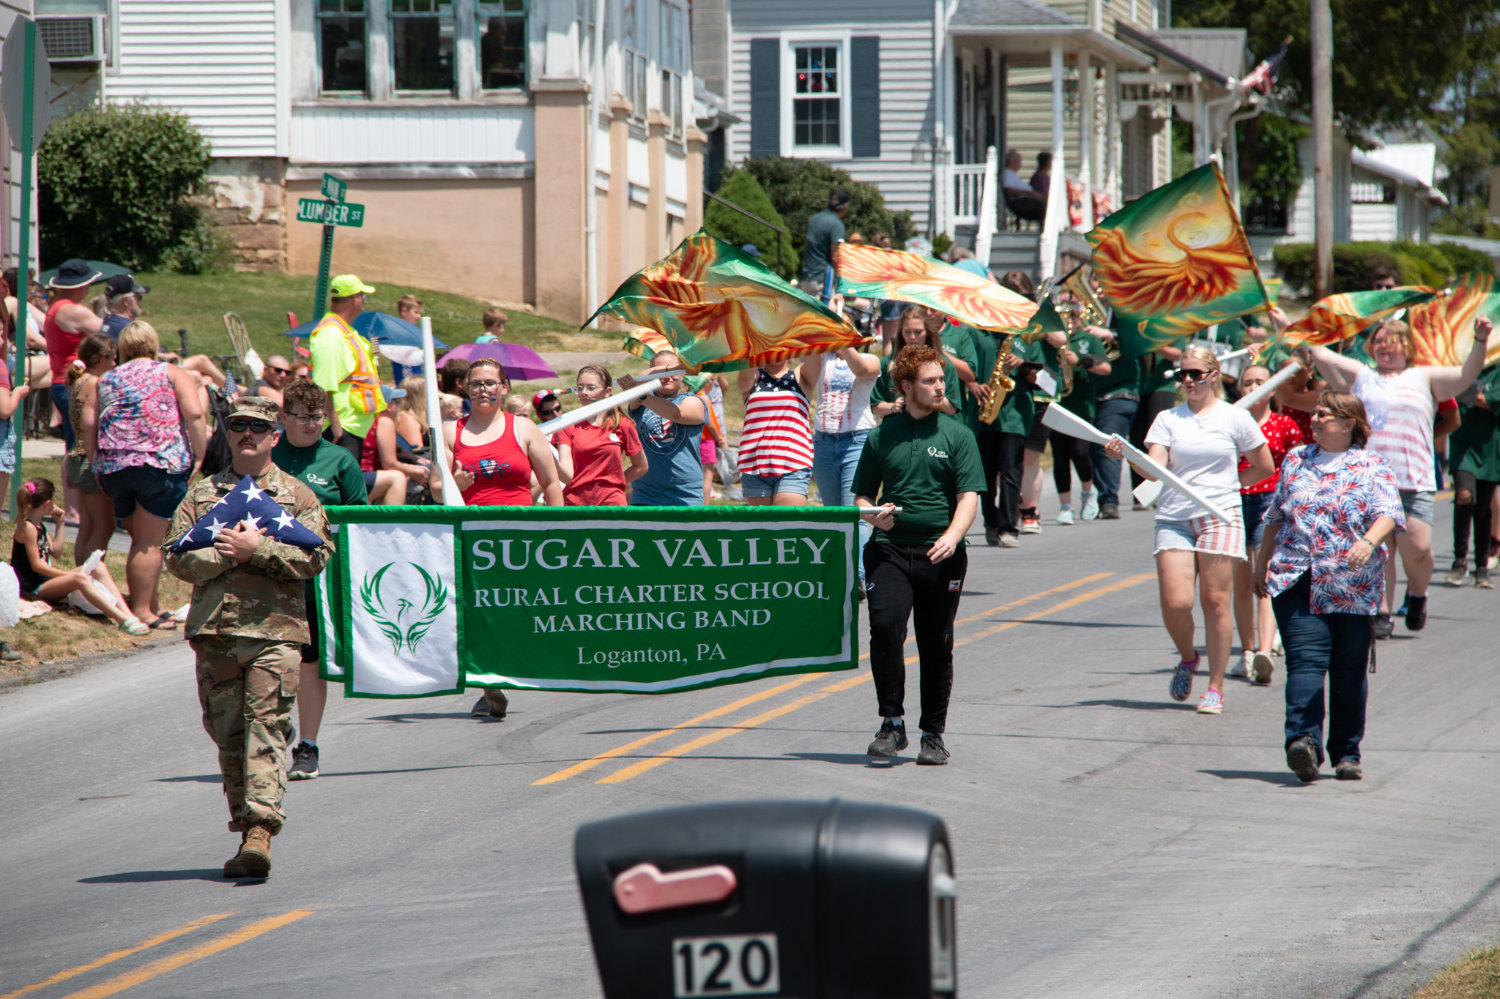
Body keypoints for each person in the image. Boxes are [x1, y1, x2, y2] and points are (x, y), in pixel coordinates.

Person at [165, 396, 332, 878]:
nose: (247, 434)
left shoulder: (297, 496)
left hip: (275, 634)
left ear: (274, 436)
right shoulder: (202, 496)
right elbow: (175, 556)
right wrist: (224, 555)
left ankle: (260, 830)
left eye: (258, 427)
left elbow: (318, 557)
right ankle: (245, 827)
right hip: (216, 632)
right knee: (229, 735)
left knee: (266, 727)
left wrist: (259, 550)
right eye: (237, 425)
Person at [1106, 344, 1273, 715]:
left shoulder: (1234, 417)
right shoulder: (1168, 419)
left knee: (1215, 601)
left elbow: (1264, 466)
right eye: (1182, 374)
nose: (1187, 381)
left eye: (1194, 374)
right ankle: (1187, 657)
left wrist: (1230, 485)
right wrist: (1126, 456)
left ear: (1213, 375)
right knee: (1176, 601)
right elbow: (1155, 470)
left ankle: (1214, 687)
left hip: (1220, 514)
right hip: (1174, 516)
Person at [1301, 315, 1491, 637]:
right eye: (1379, 343)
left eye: (1392, 344)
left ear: (1407, 347)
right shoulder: (1363, 375)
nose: (1385, 349)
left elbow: (1465, 374)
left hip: (1412, 479)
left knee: (1417, 549)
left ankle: (1417, 594)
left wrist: (1481, 340)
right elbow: (1319, 353)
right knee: (1378, 548)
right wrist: (1290, 328)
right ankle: (1381, 613)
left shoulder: (1424, 376)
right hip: (1369, 481)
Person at [1253, 391, 1403, 782]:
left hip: (1352, 584)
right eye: (1315, 413)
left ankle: (1346, 753)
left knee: (1349, 669)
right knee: (1305, 660)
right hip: (1298, 576)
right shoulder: (1296, 460)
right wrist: (1260, 562)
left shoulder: (1372, 466)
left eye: (1324, 414)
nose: (1315, 419)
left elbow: (1389, 514)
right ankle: (1302, 741)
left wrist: (1368, 542)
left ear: (1349, 422)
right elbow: (1275, 515)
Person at [854, 346, 983, 766]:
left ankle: (933, 733)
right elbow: (860, 497)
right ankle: (891, 723)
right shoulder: (881, 434)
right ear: (906, 387)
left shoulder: (957, 433)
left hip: (940, 553)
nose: (940, 386)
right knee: (885, 626)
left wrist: (952, 535)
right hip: (889, 550)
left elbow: (968, 496)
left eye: (941, 379)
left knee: (935, 641)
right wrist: (875, 517)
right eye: (930, 381)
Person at [444, 358, 563, 718]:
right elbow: (436, 487)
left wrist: (558, 529)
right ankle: (490, 681)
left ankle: (506, 668)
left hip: (519, 536)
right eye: (476, 383)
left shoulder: (524, 428)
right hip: (473, 536)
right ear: (464, 387)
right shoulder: (450, 432)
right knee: (479, 610)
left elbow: (552, 481)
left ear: (504, 388)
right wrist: (454, 486)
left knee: (515, 607)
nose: (483, 389)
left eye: (490, 383)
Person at [273, 379, 369, 781]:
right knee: (275, 661)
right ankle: (277, 722)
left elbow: (362, 520)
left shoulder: (340, 460)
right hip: (270, 576)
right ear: (283, 418)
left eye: (317, 417)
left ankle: (307, 745)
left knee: (310, 664)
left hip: (318, 579)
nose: (311, 425)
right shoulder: (267, 457)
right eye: (302, 418)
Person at [87, 320, 207, 630]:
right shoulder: (171, 372)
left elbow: (88, 423)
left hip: (115, 467)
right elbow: (194, 413)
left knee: (140, 539)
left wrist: (96, 461)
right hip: (160, 463)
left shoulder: (106, 379)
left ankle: (150, 603)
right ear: (153, 344)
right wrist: (200, 453)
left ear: (123, 348)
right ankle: (142, 611)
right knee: (150, 542)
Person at [1230, 364, 1304, 682]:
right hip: (1233, 500)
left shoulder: (1283, 424)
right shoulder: (1230, 423)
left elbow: (1298, 462)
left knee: (1264, 576)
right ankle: (1246, 651)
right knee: (1240, 578)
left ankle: (1263, 650)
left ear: (1271, 388)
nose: (1253, 387)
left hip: (1269, 502)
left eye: (1260, 382)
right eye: (1247, 382)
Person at [11, 477, 147, 634]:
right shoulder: (27, 527)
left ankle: (128, 615)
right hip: (34, 587)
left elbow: (56, 551)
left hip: (46, 581)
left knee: (99, 567)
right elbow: (37, 565)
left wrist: (60, 523)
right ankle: (121, 619)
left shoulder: (38, 525)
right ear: (47, 503)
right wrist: (65, 575)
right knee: (80, 578)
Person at [802, 318, 881, 581]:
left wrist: (844, 337)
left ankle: (857, 576)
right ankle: (841, 573)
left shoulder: (870, 360)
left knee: (855, 513)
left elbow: (860, 369)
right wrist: (823, 320)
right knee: (834, 514)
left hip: (856, 440)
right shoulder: (821, 359)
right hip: (824, 441)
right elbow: (805, 373)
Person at [309, 274, 385, 461]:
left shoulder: (344, 331)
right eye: (364, 297)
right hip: (341, 428)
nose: (364, 302)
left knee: (348, 487)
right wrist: (335, 425)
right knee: (340, 488)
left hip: (350, 427)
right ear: (354, 299)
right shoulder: (331, 333)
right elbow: (324, 384)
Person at [618, 352, 708, 507]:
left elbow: (677, 414)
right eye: (662, 372)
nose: (668, 377)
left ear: (682, 375)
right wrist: (674, 367)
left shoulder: (694, 401)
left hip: (685, 496)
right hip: (645, 495)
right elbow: (641, 376)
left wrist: (643, 396)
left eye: (674, 373)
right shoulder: (639, 403)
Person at [554, 364, 648, 506]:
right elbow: (566, 475)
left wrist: (614, 483)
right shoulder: (566, 424)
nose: (584, 392)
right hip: (575, 504)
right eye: (579, 387)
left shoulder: (622, 424)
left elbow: (641, 466)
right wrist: (548, 456)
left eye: (591, 388)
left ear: (607, 391)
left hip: (612, 504)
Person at [1446, 355, 1500, 589]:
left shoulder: (1496, 371)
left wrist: (1463, 393)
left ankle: (1480, 568)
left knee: (1482, 508)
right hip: (1462, 444)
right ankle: (1459, 562)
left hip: (1488, 446)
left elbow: (1492, 402)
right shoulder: (1462, 366)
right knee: (1464, 496)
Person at [736, 355, 816, 506]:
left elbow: (817, 352)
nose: (778, 350)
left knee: (786, 525)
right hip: (754, 466)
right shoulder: (753, 376)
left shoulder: (799, 376)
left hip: (794, 464)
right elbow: (747, 354)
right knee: (761, 528)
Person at [65, 334, 116, 565]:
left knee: (88, 524)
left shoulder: (78, 381)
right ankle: (90, 580)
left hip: (76, 457)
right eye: (112, 359)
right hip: (89, 458)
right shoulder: (95, 384)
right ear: (101, 358)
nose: (114, 365)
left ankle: (80, 580)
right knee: (104, 525)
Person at [800, 188, 850, 296]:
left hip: (807, 279)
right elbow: (835, 257)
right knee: (826, 312)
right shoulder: (836, 225)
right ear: (845, 207)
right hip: (822, 281)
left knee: (807, 313)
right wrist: (843, 280)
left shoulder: (814, 219)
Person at [1001, 150, 1045, 222]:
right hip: (1020, 203)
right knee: (1045, 206)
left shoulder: (1012, 174)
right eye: (1019, 161)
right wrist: (1029, 193)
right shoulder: (1007, 173)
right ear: (1013, 162)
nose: (1021, 164)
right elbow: (1009, 191)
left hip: (1026, 200)